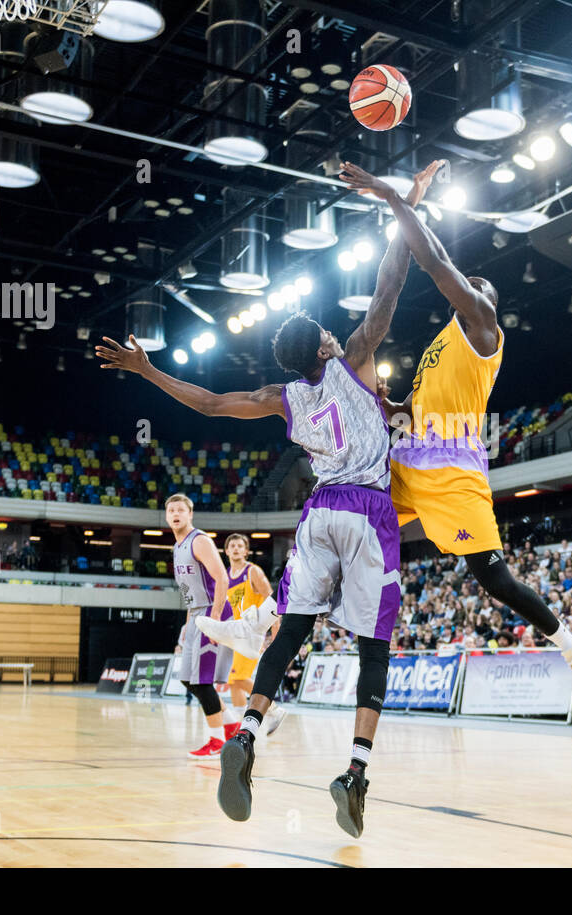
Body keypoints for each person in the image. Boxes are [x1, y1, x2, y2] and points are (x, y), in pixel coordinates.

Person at [96, 160, 442, 839]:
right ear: (323, 344)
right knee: (375, 645)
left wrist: (146, 370)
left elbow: (211, 402)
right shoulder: (355, 357)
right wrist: (399, 202)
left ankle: (247, 733)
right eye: (329, 332)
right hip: (369, 511)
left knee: (293, 630)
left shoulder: (282, 397)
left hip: (316, 517)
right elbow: (392, 280)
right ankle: (355, 772)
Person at [341, 160, 572, 706]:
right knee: (339, 518)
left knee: (494, 580)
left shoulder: (483, 327)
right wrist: (382, 401)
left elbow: (437, 262)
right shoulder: (439, 344)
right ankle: (268, 621)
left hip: (455, 466)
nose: (473, 287)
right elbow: (408, 413)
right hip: (411, 457)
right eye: (471, 285)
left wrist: (398, 199)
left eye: (479, 285)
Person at [162, 493, 235, 759]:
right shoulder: (177, 547)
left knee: (203, 680)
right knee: (187, 678)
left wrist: (214, 619)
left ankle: (217, 740)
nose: (175, 514)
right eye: (171, 510)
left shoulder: (199, 540)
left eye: (180, 509)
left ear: (190, 514)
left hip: (211, 612)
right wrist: (187, 626)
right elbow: (188, 591)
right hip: (195, 613)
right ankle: (231, 723)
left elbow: (222, 579)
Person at [202, 533, 286, 739]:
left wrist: (276, 633)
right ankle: (240, 725)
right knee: (233, 681)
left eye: (240, 546)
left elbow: (272, 601)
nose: (236, 548)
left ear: (246, 551)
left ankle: (274, 710)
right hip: (236, 632)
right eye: (232, 546)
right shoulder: (226, 576)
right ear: (227, 551)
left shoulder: (253, 572)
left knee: (238, 678)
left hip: (253, 632)